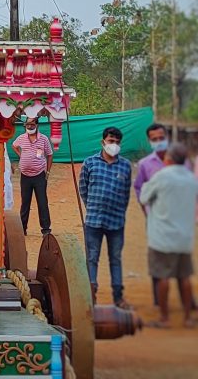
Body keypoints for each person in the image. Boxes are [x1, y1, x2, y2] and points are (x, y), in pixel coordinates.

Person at [139, 142, 198, 328]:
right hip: (184, 236)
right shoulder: (191, 178)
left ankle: (164, 318)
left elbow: (144, 197)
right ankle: (188, 318)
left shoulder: (161, 177)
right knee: (184, 277)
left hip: (162, 237)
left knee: (162, 276)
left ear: (169, 158)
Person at [78, 125, 132, 308]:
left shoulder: (125, 166)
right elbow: (83, 189)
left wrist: (118, 211)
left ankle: (118, 297)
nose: (114, 145)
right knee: (92, 257)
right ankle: (91, 296)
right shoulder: (90, 163)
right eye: (111, 141)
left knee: (115, 258)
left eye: (117, 142)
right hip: (94, 220)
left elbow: (126, 194)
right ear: (103, 142)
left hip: (116, 222)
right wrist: (92, 207)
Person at [12, 117, 53, 236]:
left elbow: (50, 155)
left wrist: (48, 172)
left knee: (42, 202)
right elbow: (14, 146)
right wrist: (21, 155)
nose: (29, 126)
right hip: (25, 176)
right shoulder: (21, 138)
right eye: (27, 124)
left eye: (32, 124)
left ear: (37, 125)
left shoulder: (44, 139)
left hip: (40, 175)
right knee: (25, 202)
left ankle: (46, 229)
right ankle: (22, 228)